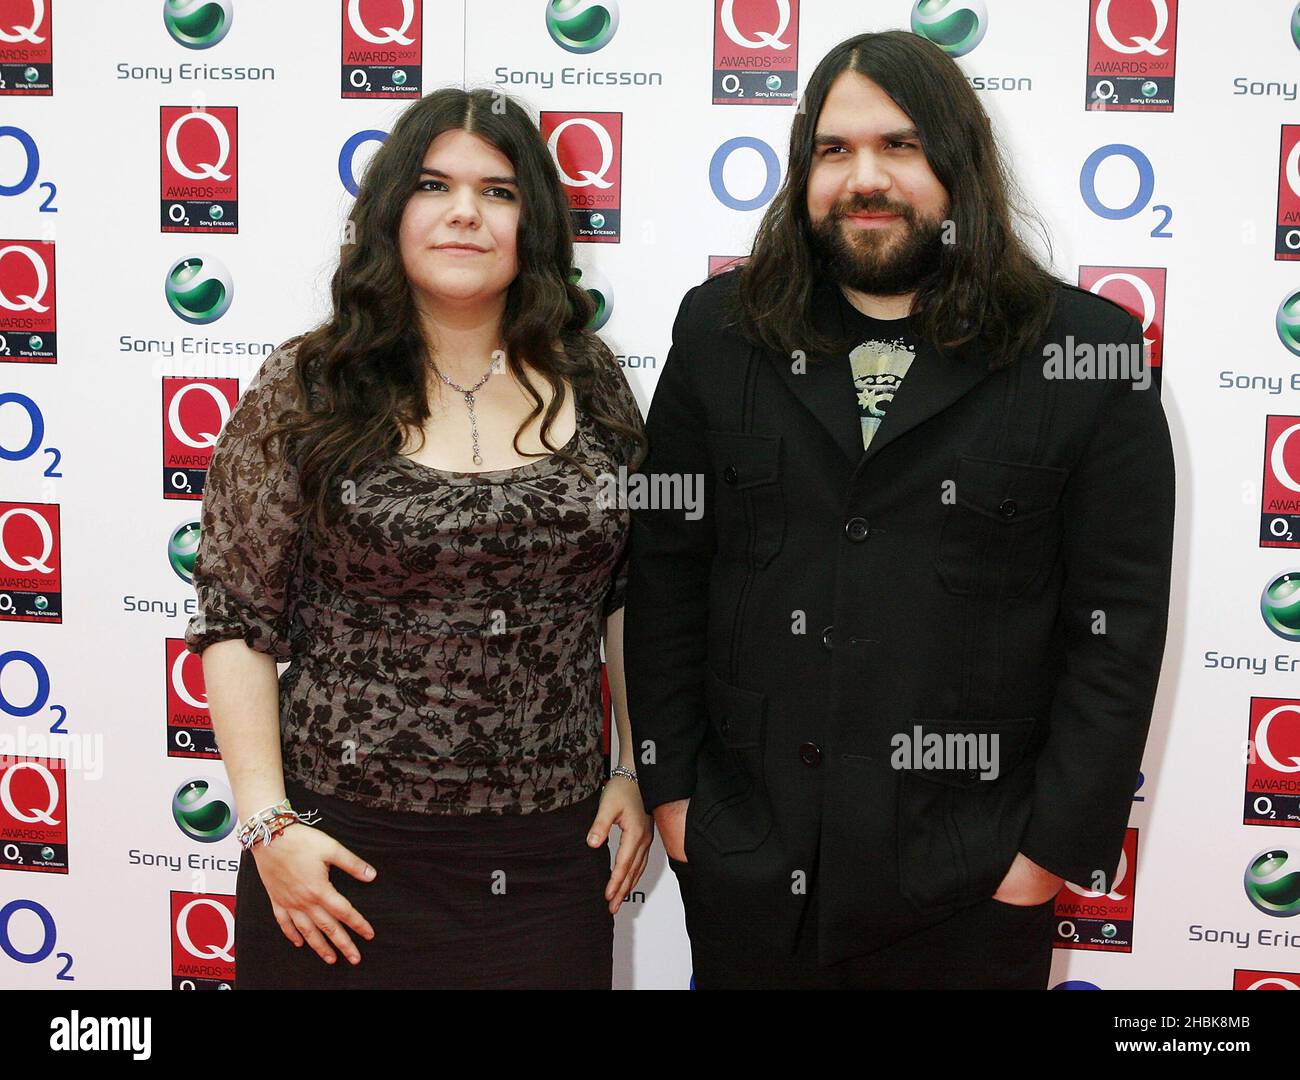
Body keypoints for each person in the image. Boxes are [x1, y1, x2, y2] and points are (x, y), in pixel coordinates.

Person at [624, 30, 1176, 989]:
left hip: (969, 886)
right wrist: (676, 799)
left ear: (957, 164)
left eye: (900, 146)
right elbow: (668, 572)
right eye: (834, 151)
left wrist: (1042, 859)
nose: (863, 176)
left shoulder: (1086, 352)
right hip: (752, 877)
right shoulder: (719, 331)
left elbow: (1117, 630)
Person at [184, 86, 651, 990]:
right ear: (393, 213)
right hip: (339, 861)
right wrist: (268, 825)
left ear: (535, 224)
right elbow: (237, 617)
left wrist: (633, 766)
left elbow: (628, 598)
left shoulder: (591, 382)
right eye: (435, 186)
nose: (466, 213)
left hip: (549, 858)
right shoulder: (310, 383)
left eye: (501, 191)